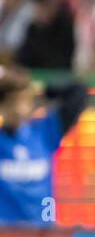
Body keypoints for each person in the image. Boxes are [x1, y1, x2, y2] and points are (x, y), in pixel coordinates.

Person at [0, 66, 87, 225]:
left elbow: (79, 91)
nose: (19, 109)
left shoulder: (45, 130)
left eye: (24, 101)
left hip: (43, 235)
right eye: (12, 103)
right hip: (6, 236)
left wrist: (46, 89)